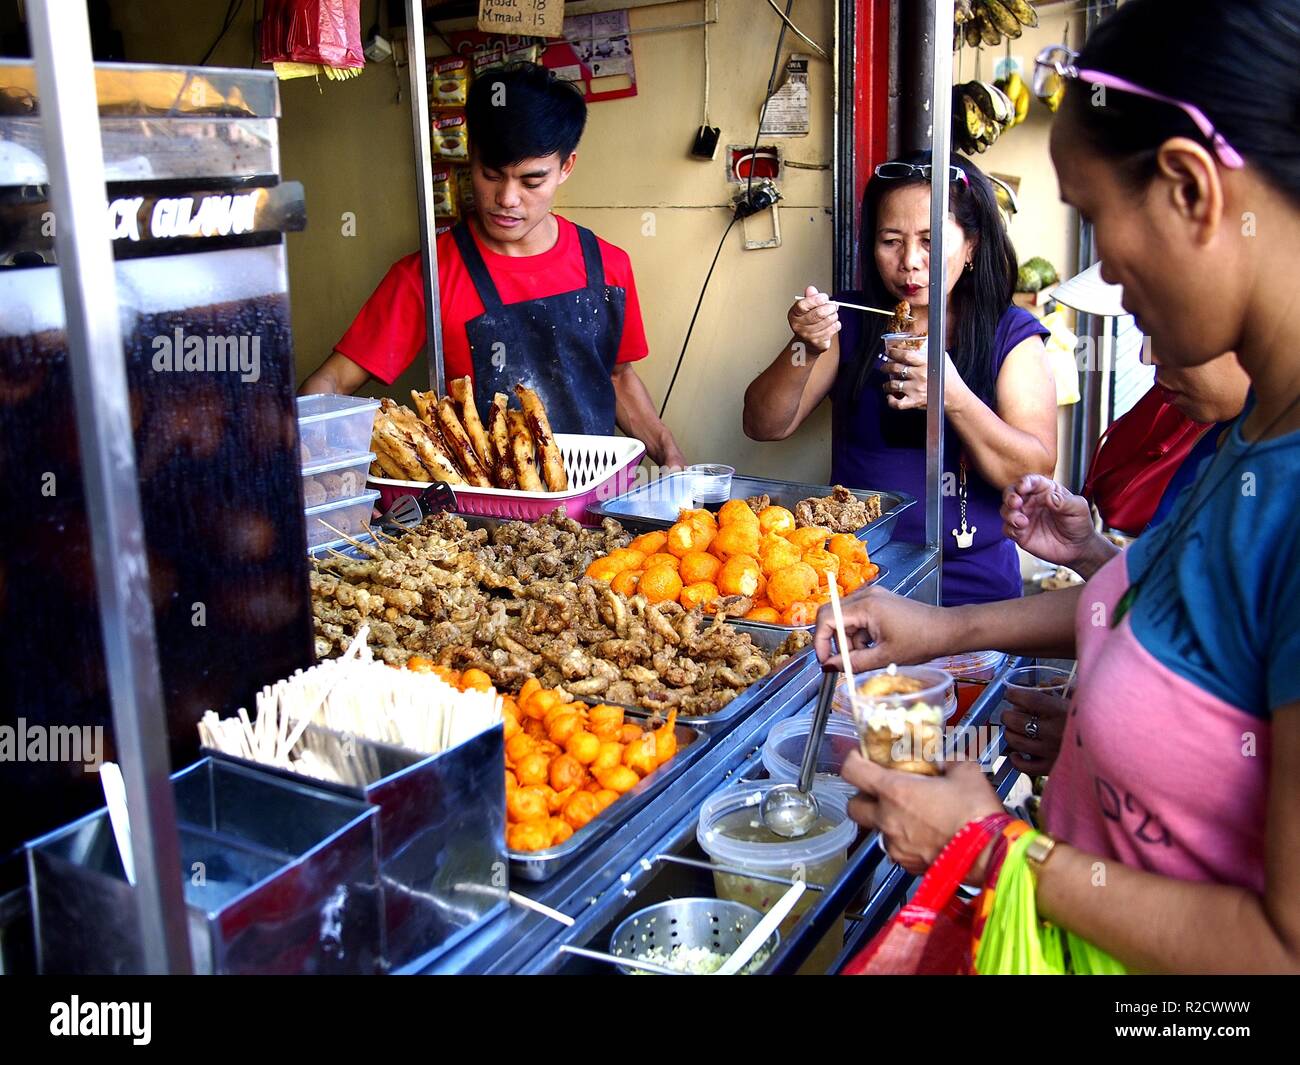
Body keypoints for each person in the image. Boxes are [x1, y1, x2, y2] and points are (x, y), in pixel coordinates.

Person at [819, 0, 1300, 973]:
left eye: (1095, 221)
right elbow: (1177, 616)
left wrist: (1002, 850)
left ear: (1189, 188)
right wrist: (944, 633)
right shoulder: (1244, 434)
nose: (1107, 278)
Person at [301, 62, 685, 467]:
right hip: (486, 518)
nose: (507, 198)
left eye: (531, 181)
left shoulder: (608, 265)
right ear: (471, 156)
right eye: (491, 174)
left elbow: (618, 377)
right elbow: (331, 382)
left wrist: (667, 452)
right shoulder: (429, 276)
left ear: (566, 167)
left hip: (597, 504)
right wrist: (322, 471)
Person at [742, 152, 1057, 605]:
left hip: (975, 585)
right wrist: (805, 348)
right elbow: (763, 426)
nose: (909, 261)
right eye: (891, 241)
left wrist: (954, 398)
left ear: (971, 246)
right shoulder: (848, 320)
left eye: (931, 240)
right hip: (860, 575)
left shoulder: (1011, 334)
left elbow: (1033, 470)